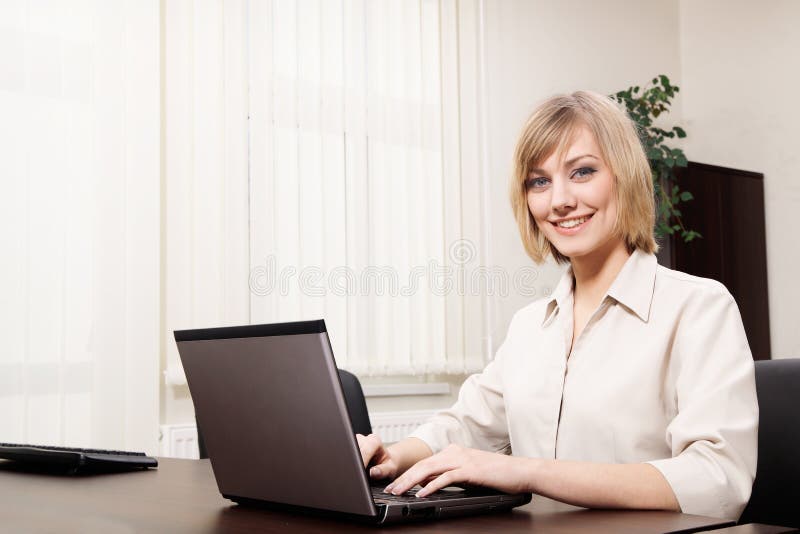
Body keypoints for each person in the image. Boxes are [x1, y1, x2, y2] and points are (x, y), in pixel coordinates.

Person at [356, 90, 758, 520]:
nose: (559, 200)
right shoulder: (529, 325)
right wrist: (393, 456)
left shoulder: (699, 308)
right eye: (539, 181)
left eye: (582, 172)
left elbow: (718, 480)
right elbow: (467, 423)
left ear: (624, 177)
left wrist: (527, 472)